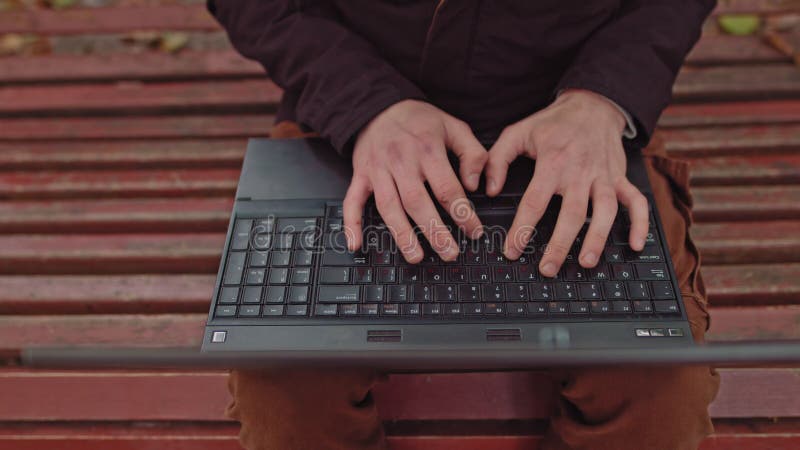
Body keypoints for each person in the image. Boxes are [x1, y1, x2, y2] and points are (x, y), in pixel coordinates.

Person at [209, 1, 721, 449]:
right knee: (284, 382)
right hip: (351, 127)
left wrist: (603, 100)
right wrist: (364, 103)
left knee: (659, 389)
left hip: (577, 132)